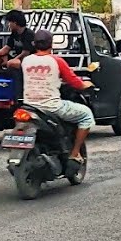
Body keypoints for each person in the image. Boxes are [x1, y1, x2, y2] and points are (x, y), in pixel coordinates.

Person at [20, 30, 96, 165]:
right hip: (51, 107)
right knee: (86, 115)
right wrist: (87, 85)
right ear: (51, 44)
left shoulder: (26, 60)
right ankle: (74, 153)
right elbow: (75, 82)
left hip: (29, 106)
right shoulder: (57, 61)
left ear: (34, 44)